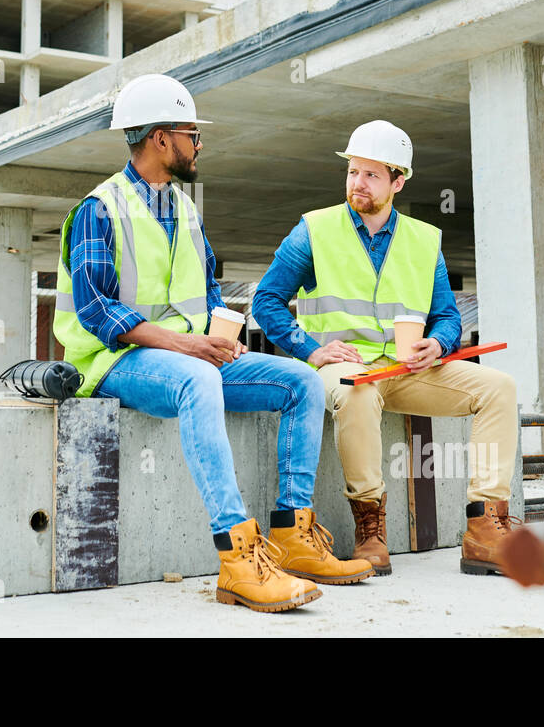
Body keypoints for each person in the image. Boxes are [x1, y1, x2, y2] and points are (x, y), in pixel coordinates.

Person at [54, 74, 373, 612]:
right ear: (160, 139)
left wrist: (221, 339)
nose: (199, 144)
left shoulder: (185, 208)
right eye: (191, 134)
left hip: (186, 358)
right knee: (200, 377)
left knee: (300, 382)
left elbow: (203, 291)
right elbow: (96, 309)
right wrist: (189, 349)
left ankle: (292, 534)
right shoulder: (100, 209)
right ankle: (238, 558)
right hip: (114, 362)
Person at [252, 121, 520, 576]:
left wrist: (438, 342)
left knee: (499, 387)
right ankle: (370, 528)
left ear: (398, 182)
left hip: (407, 369)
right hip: (346, 369)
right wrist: (312, 350)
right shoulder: (313, 230)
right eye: (353, 171)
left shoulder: (423, 239)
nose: (358, 183)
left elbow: (448, 315)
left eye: (371, 175)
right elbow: (266, 300)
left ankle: (485, 527)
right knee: (356, 393)